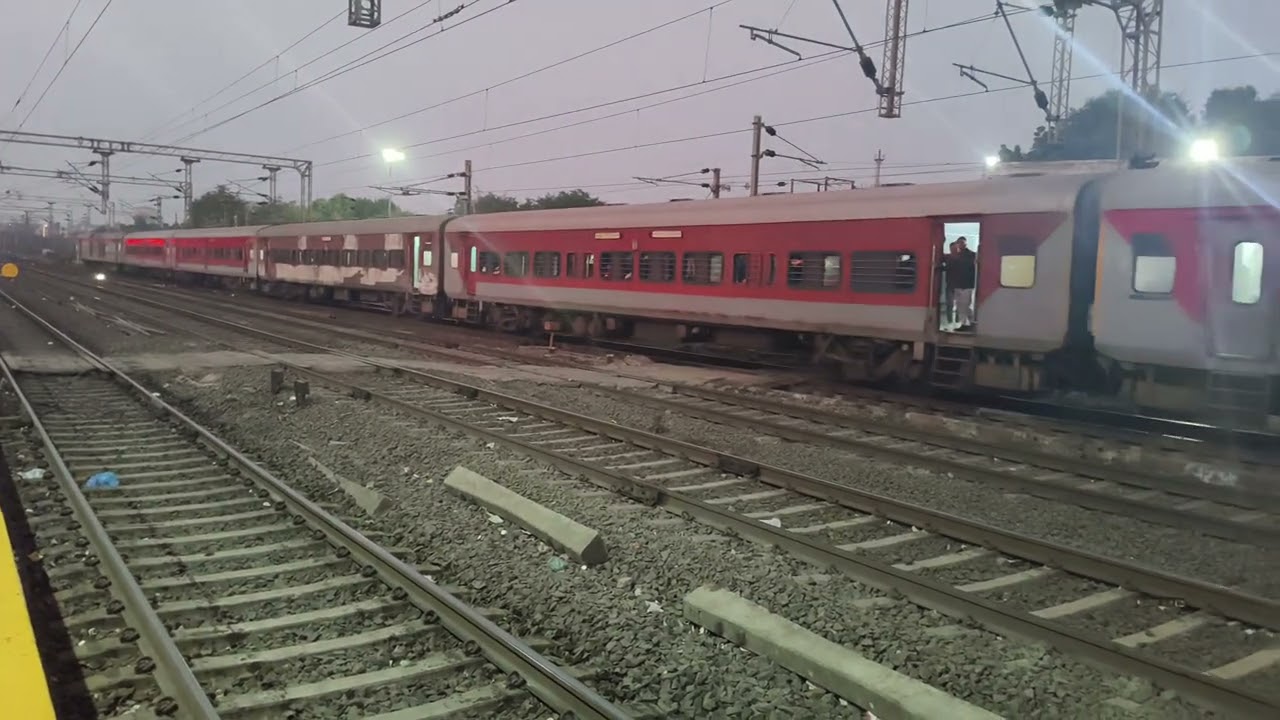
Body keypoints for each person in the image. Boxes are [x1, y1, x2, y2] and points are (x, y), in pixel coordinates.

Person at [945, 237, 976, 331]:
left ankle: (971, 324)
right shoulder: (957, 256)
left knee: (966, 306)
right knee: (960, 307)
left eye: (962, 243)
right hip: (958, 284)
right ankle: (964, 324)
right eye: (959, 243)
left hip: (966, 285)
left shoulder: (971, 255)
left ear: (966, 244)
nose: (961, 244)